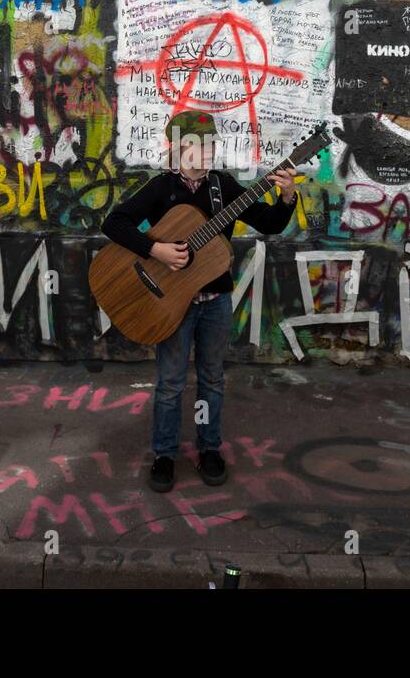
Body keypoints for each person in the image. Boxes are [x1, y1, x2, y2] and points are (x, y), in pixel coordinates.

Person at [100, 110, 299, 493]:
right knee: (171, 382)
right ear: (177, 148)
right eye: (197, 144)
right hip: (171, 303)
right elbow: (114, 223)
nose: (207, 151)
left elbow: (270, 223)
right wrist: (155, 249)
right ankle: (164, 454)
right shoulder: (161, 188)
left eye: (210, 143)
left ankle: (209, 448)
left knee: (212, 378)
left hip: (215, 302)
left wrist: (287, 196)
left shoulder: (224, 187)